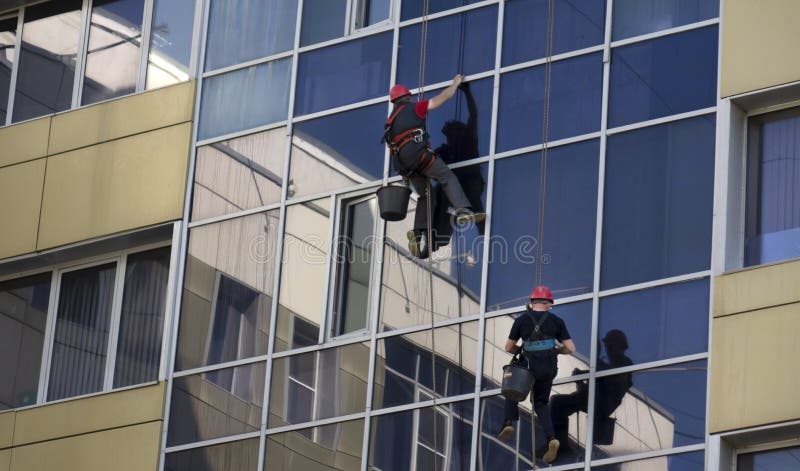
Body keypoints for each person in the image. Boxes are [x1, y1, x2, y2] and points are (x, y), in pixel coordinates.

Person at [383, 74, 485, 258]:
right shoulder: (415, 107)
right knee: (446, 177)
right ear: (407, 98)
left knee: (426, 195)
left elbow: (393, 147)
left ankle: (418, 235)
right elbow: (443, 97)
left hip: (405, 166)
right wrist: (456, 85)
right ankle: (463, 211)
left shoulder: (390, 123)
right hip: (422, 159)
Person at [497, 285, 576, 464]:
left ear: (531, 302)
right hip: (548, 368)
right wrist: (557, 351)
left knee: (511, 390)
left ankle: (508, 422)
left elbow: (508, 347)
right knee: (541, 403)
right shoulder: (557, 321)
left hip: (528, 366)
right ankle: (551, 438)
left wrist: (523, 350)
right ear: (549, 303)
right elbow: (571, 348)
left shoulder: (521, 321)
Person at [549, 329, 633, 457]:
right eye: (607, 347)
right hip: (595, 399)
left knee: (557, 403)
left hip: (603, 401)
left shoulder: (625, 363)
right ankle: (561, 445)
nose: (608, 350)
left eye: (610, 346)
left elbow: (612, 379)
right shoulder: (610, 365)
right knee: (557, 404)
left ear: (619, 346)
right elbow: (599, 379)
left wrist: (588, 372)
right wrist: (580, 380)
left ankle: (562, 447)